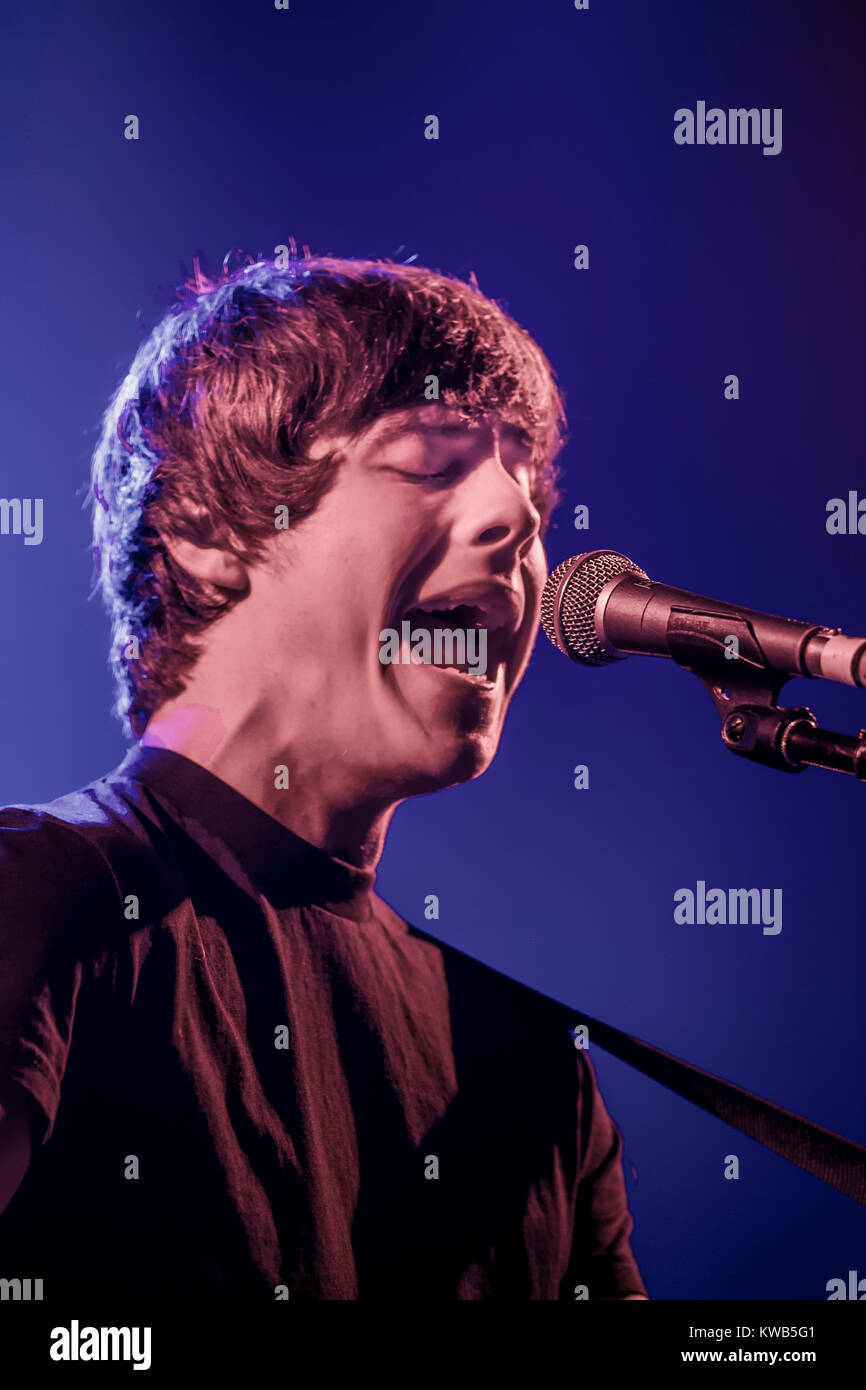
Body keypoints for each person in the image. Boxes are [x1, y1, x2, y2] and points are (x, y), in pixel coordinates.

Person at [0, 253, 647, 1300]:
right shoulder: (42, 897)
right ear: (211, 532)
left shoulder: (528, 1068)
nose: (518, 526)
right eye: (431, 463)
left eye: (527, 493)